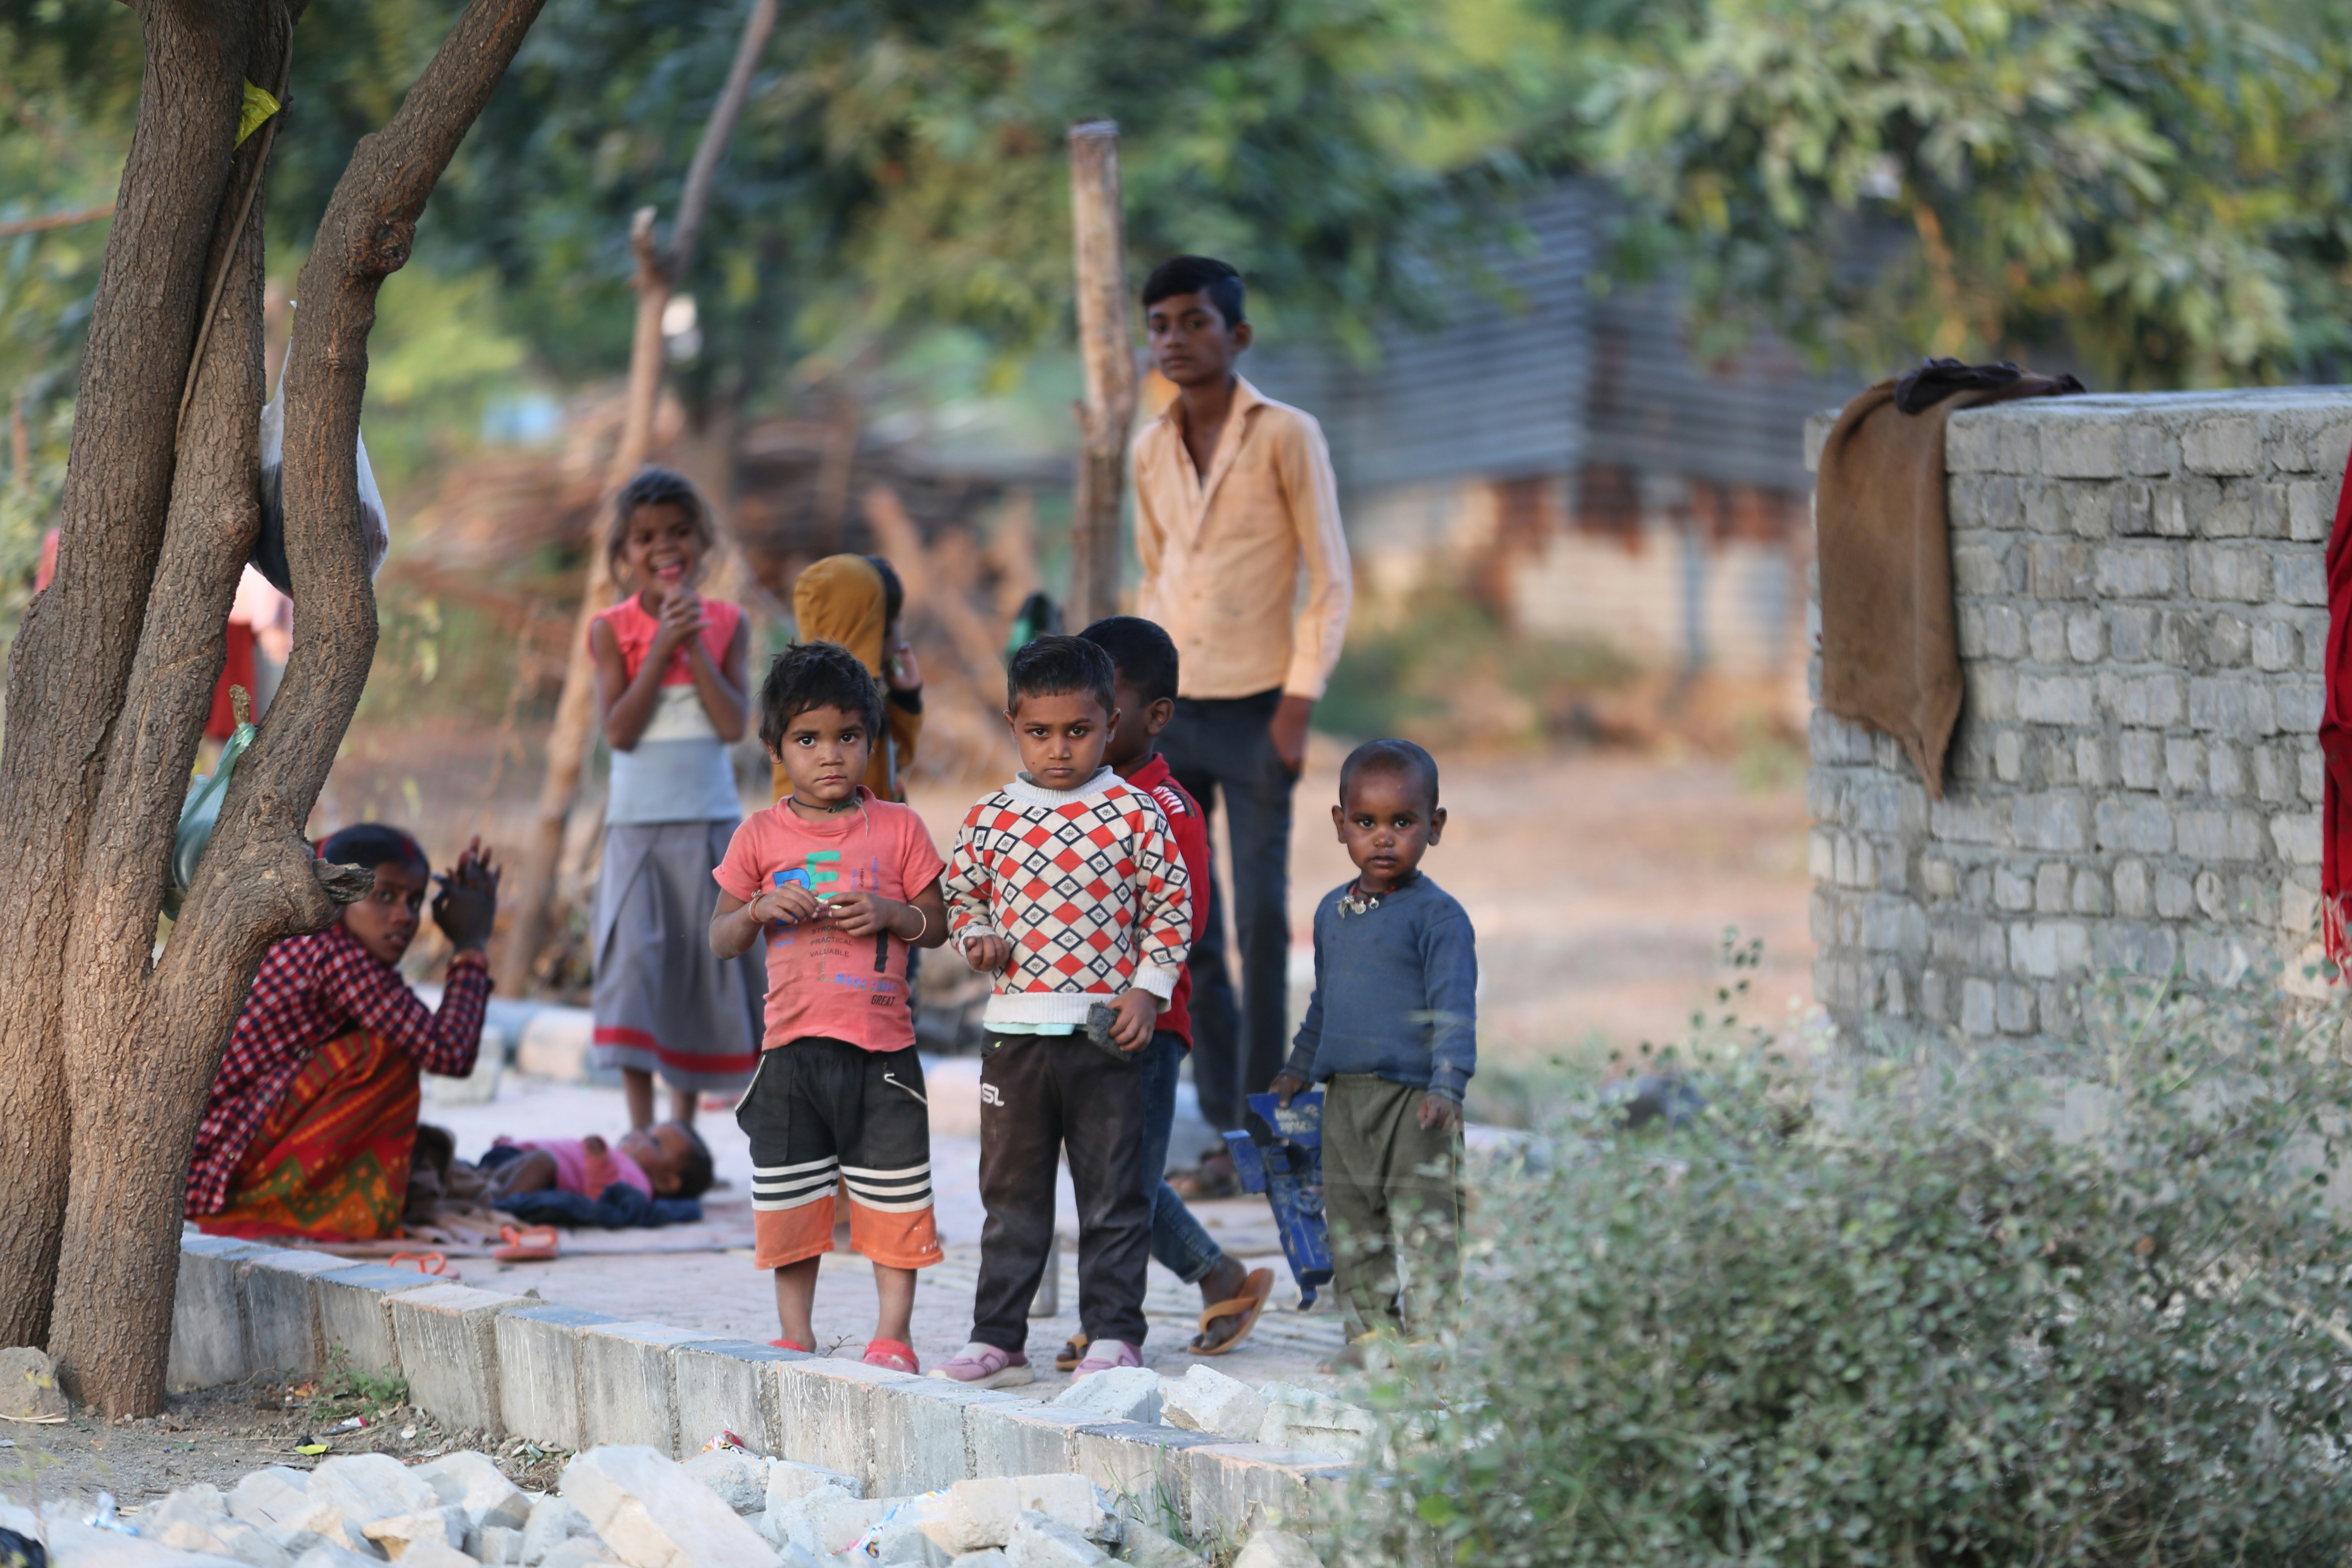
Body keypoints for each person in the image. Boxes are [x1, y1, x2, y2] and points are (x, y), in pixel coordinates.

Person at [930, 636, 1193, 1388]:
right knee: (1010, 1195)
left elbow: (1170, 911)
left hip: (1105, 1038)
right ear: (1014, 724)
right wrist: (977, 937)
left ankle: (1114, 1333)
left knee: (1112, 1193)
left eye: (1078, 732)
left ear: (1111, 725)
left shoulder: (1135, 814)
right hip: (1015, 1036)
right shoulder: (992, 817)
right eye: (1040, 732)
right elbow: (963, 894)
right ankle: (998, 1337)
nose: (1058, 750)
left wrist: (1148, 990)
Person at [1132, 255, 1353, 1146]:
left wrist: (1298, 706)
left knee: (1263, 921)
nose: (1175, 340)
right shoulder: (1149, 447)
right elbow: (1154, 575)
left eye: (1193, 321)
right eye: (1159, 325)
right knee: (1186, 923)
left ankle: (1272, 1115)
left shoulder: (1288, 435)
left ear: (1238, 335)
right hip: (1169, 713)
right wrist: (1131, 704)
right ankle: (1225, 1124)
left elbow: (1331, 578)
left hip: (1262, 711)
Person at [710, 640, 951, 1372]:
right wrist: (756, 907)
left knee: (894, 1197)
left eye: (848, 737)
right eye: (807, 739)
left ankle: (894, 1336)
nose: (830, 756)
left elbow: (936, 925)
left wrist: (889, 912)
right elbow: (722, 938)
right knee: (790, 1199)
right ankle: (795, 1333)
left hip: (882, 1051)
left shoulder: (900, 828)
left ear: (871, 743)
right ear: (777, 747)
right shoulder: (759, 836)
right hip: (790, 1052)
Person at [1074, 615, 1274, 1362]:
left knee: (1121, 1179)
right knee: (1103, 1175)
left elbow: (1184, 926)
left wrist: (1135, 988)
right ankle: (1196, 1281)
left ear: (1156, 717)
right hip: (1068, 1020)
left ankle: (1120, 1316)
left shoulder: (1170, 811)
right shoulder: (1069, 800)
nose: (1087, 720)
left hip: (1147, 1026)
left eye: (1107, 704)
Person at [1269, 739, 1475, 1370]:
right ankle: (1370, 1339)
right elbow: (1324, 1004)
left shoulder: (1439, 918)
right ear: (1340, 825)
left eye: (1402, 823)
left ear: (1433, 827)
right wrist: (1297, 1068)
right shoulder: (1334, 913)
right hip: (1345, 1100)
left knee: (1426, 1220)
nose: (1383, 839)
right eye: (1366, 823)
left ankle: (1433, 1338)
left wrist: (1448, 1085)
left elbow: (1454, 1008)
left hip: (1416, 1103)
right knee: (1353, 1222)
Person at [187, 826, 499, 1241]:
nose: (405, 916)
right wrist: (471, 943)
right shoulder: (332, 951)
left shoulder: (302, 926)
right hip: (210, 1167)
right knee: (383, 1057)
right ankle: (273, 1210)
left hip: (200, 1152)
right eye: (384, 896)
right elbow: (450, 1052)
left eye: (414, 901)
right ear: (341, 890)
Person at [587, 466, 766, 1131]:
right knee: (636, 966)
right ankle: (639, 1130)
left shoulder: (729, 624)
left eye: (680, 532)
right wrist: (662, 648)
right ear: (624, 553)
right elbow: (620, 732)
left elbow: (732, 724)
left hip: (712, 829)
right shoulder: (612, 630)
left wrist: (696, 646)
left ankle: (680, 1132)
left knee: (699, 965)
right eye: (645, 537)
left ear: (703, 543)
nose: (665, 548)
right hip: (638, 831)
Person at [773, 554, 924, 803]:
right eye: (897, 621)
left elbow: (896, 760)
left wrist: (906, 699)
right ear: (873, 629)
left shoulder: (862, 695)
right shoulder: (820, 706)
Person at [479, 1124, 714, 1202]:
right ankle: (481, 1188)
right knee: (483, 1178)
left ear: (666, 1181)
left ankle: (494, 1203)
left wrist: (599, 1161)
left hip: (537, 1168)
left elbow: (604, 1195)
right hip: (513, 1155)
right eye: (646, 1130)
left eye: (655, 1142)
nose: (640, 1136)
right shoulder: (618, 1157)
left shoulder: (639, 1184)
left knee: (543, 1161)